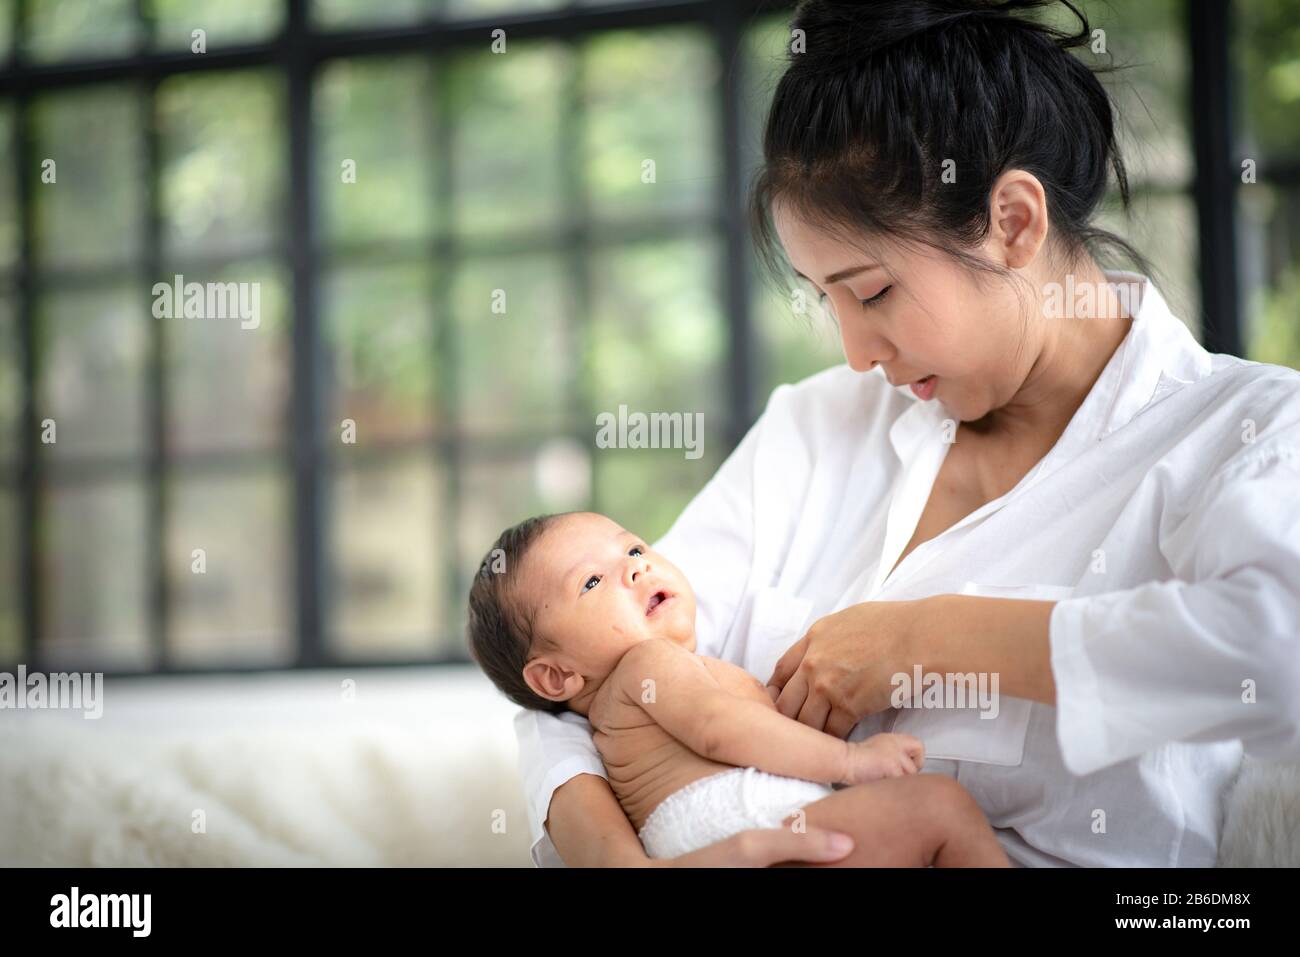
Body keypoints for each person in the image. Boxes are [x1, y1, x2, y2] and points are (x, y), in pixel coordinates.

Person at [515, 0, 1300, 867]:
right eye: (828, 300)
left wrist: (929, 639)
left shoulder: (1245, 430)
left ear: (1013, 223)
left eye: (874, 292)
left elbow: (1273, 651)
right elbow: (573, 670)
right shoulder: (813, 430)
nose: (855, 352)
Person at [468, 510, 1011, 866]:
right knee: (937, 805)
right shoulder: (645, 667)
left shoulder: (650, 695)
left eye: (633, 551)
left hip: (729, 835)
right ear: (557, 677)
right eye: (590, 582)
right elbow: (717, 731)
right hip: (736, 823)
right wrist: (850, 761)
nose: (634, 570)